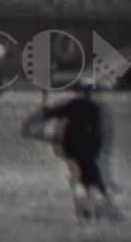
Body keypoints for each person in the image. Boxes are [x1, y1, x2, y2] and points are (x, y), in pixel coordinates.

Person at [31, 82, 121, 221]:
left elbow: (49, 113)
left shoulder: (73, 105)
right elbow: (98, 134)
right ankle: (96, 209)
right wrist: (98, 150)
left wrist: (36, 124)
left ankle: (88, 208)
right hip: (84, 149)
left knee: (82, 178)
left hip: (71, 147)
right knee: (92, 180)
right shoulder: (94, 108)